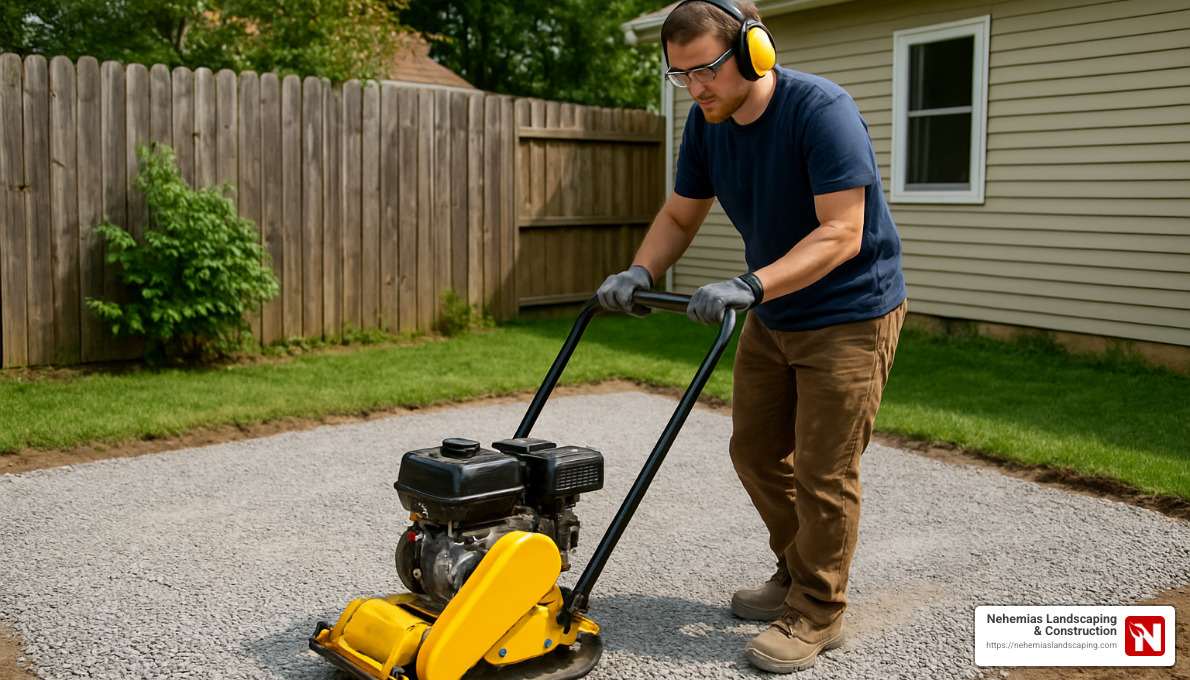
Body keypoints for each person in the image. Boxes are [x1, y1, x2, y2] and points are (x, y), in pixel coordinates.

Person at [596, 0, 907, 673]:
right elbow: (680, 214)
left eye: (705, 69)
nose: (696, 87)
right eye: (681, 75)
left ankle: (819, 612)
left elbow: (841, 232)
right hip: (776, 312)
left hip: (851, 312)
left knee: (826, 470)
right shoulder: (707, 124)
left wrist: (752, 284)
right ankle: (797, 573)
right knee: (757, 452)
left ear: (753, 53)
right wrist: (640, 269)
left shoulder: (819, 111)